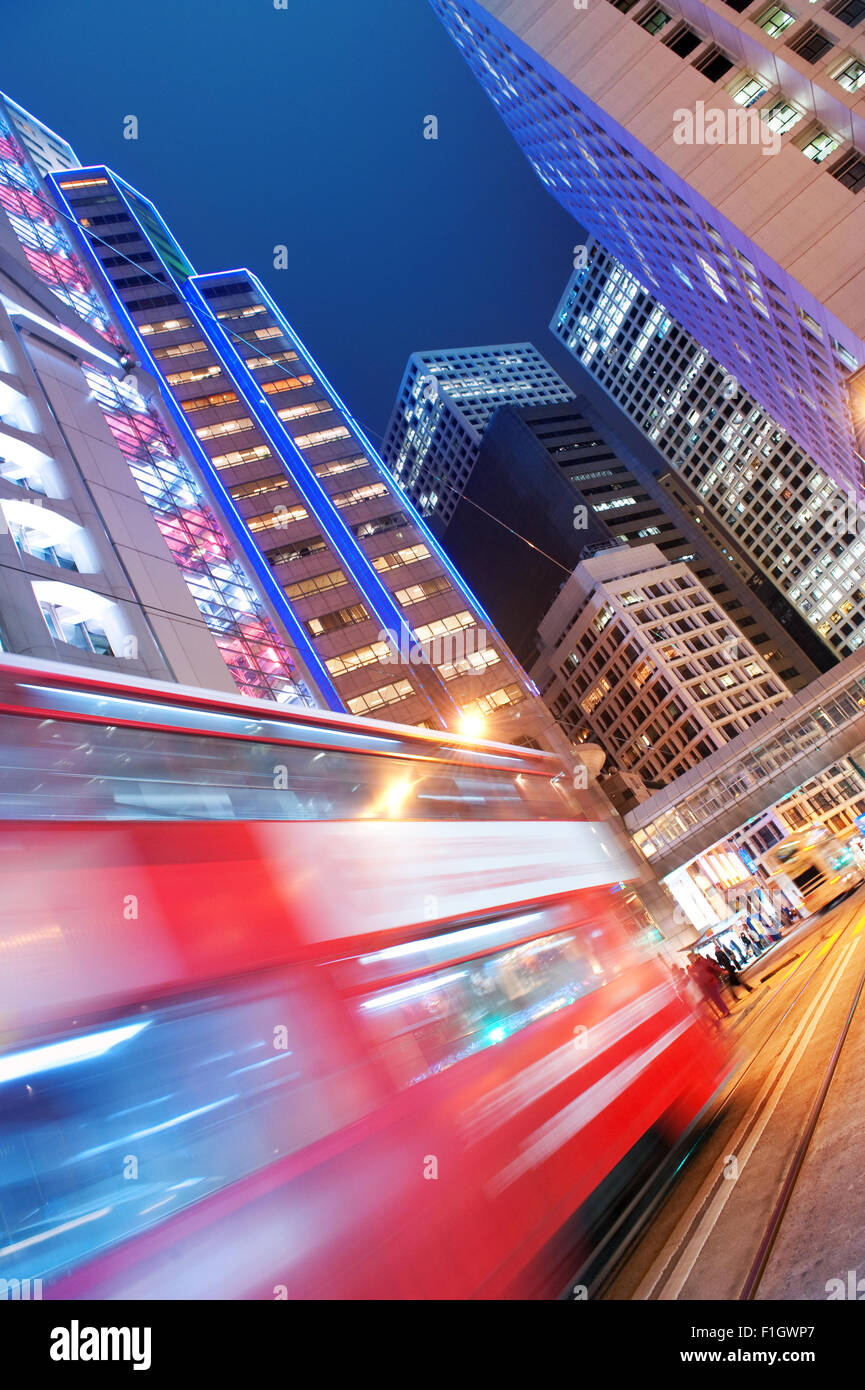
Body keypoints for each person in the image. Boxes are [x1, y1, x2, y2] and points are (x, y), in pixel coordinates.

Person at [689, 952, 730, 1020]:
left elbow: (713, 966)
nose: (691, 960)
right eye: (690, 959)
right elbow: (694, 978)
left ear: (695, 957)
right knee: (715, 999)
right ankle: (724, 1011)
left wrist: (722, 971)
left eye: (692, 958)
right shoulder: (692, 968)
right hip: (705, 986)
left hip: (711, 982)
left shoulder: (703, 961)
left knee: (717, 998)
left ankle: (725, 1011)